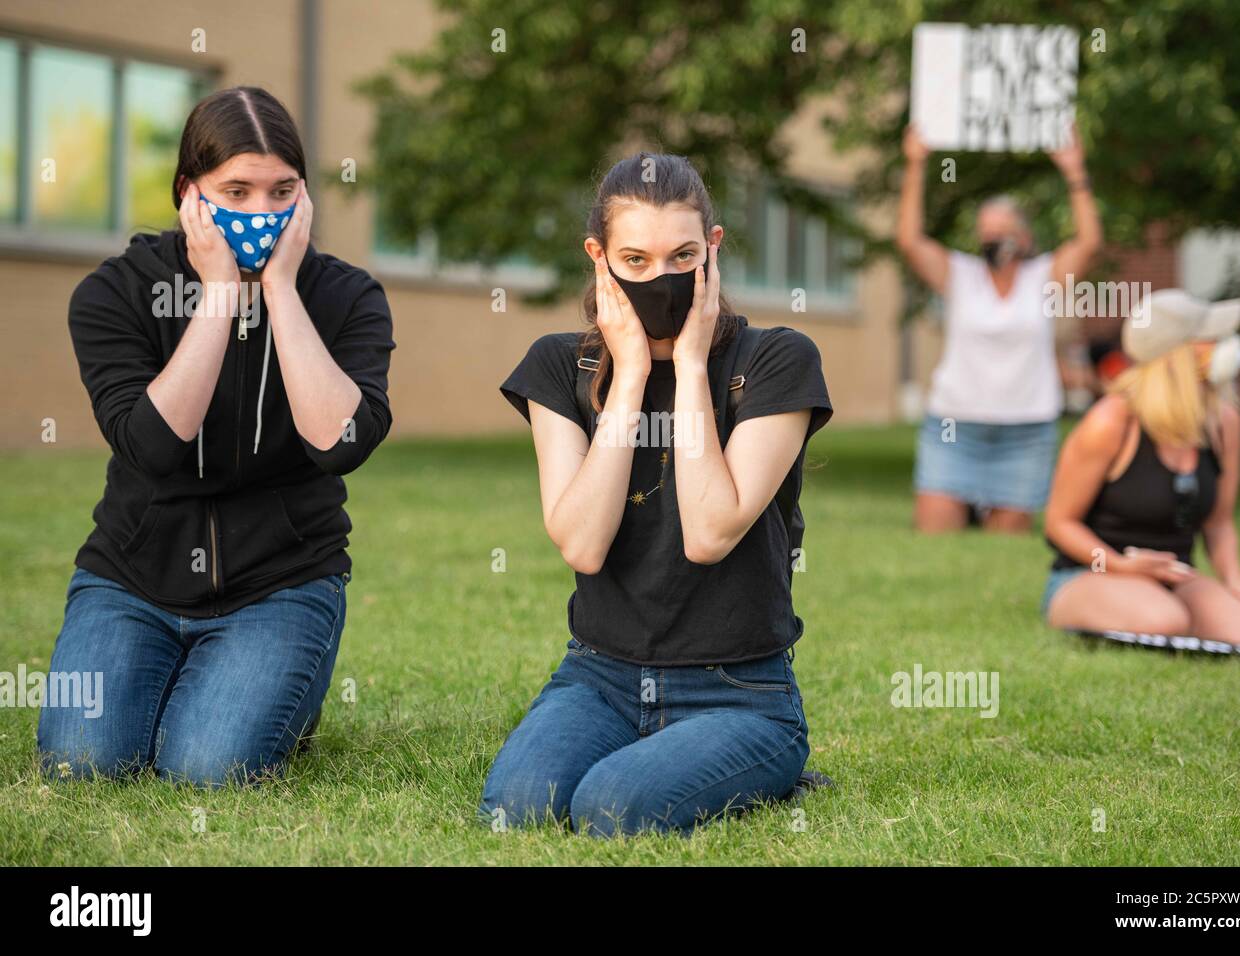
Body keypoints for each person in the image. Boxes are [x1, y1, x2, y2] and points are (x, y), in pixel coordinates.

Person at [38, 87, 396, 787]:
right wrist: (222, 297)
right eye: (236, 190)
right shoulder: (115, 293)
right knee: (83, 764)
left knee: (208, 768)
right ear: (189, 195)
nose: (262, 213)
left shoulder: (346, 296)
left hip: (281, 582)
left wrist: (282, 293)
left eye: (282, 190)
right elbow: (153, 446)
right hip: (133, 580)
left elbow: (341, 442)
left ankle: (271, 683)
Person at [480, 153, 833, 837]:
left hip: (738, 692)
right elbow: (581, 544)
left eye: (682, 257)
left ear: (714, 249)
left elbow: (710, 532)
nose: (659, 279)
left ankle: (769, 759)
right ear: (599, 258)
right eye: (634, 260)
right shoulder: (560, 366)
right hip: (600, 677)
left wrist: (693, 363)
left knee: (610, 809)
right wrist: (634, 372)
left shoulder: (775, 360)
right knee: (516, 809)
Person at [1041, 290, 1240, 645]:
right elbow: (1060, 523)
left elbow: (1219, 523)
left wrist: (1234, 580)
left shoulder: (1224, 423)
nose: (1225, 346)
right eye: (1210, 339)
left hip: (1174, 576)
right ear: (1177, 355)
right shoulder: (1111, 421)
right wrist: (1120, 565)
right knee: (1164, 621)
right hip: (1091, 573)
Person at [896, 123, 1103, 533]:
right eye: (986, 231)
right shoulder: (961, 274)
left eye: (1002, 231)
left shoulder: (1044, 276)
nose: (993, 239)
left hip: (1024, 432)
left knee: (1003, 544)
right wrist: (916, 163)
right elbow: (908, 240)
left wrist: (1074, 170)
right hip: (954, 427)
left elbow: (1090, 243)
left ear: (1023, 236)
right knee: (935, 537)